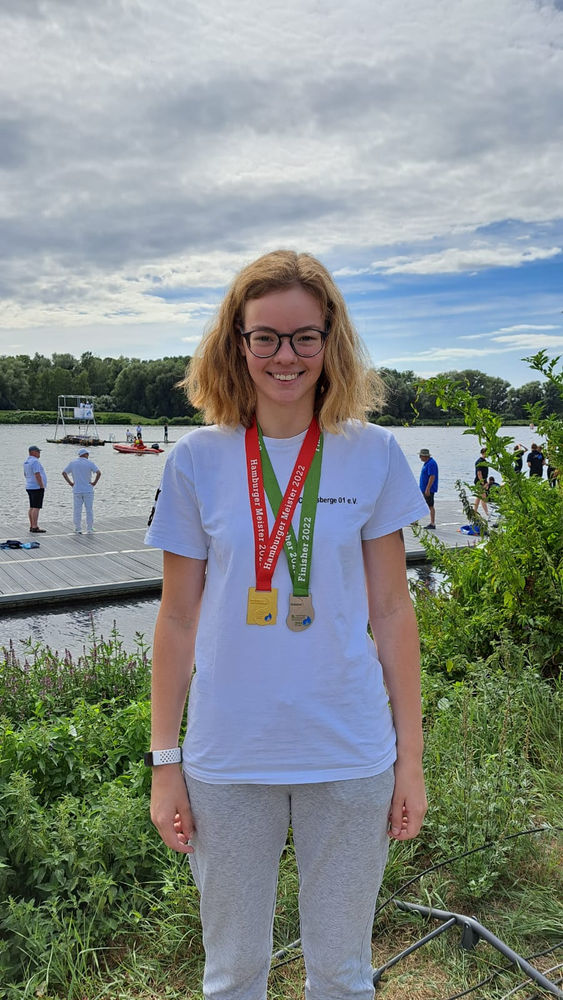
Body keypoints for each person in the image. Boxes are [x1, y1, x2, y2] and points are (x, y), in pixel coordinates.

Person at [145, 250, 428, 1000]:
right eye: (264, 336)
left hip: (350, 752)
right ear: (235, 343)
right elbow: (175, 620)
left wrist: (410, 760)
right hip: (226, 759)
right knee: (234, 973)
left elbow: (394, 613)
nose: (284, 356)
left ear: (330, 341)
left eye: (304, 337)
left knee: (341, 973)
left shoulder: (373, 454)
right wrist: (163, 762)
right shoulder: (196, 461)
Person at [62, 448, 101, 534]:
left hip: (77, 489)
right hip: (88, 489)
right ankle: (90, 528)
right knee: (89, 510)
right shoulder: (90, 463)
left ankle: (78, 528)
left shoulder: (73, 463)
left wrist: (71, 483)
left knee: (77, 510)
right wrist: (94, 482)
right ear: (86, 454)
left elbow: (64, 473)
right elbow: (98, 472)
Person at [23, 445, 47, 533]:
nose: (39, 453)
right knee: (36, 507)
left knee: (32, 507)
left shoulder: (26, 462)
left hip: (29, 486)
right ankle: (35, 526)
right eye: (38, 452)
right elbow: (37, 474)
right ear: (33, 452)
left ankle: (31, 525)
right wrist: (41, 485)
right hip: (36, 487)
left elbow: (25, 474)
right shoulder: (35, 461)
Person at [418, 448, 438, 529]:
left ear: (425, 456)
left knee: (430, 505)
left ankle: (432, 523)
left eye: (420, 456)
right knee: (420, 503)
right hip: (423, 488)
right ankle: (415, 521)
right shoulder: (427, 463)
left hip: (428, 489)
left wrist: (428, 488)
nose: (419, 457)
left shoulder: (431, 463)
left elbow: (432, 476)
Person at [473, 446, 489, 516]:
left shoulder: (484, 461)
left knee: (479, 497)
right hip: (479, 481)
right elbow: (479, 473)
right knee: (483, 497)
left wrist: (486, 482)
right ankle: (487, 513)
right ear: (483, 453)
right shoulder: (479, 462)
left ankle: (474, 511)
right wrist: (483, 483)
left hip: (483, 481)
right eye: (487, 453)